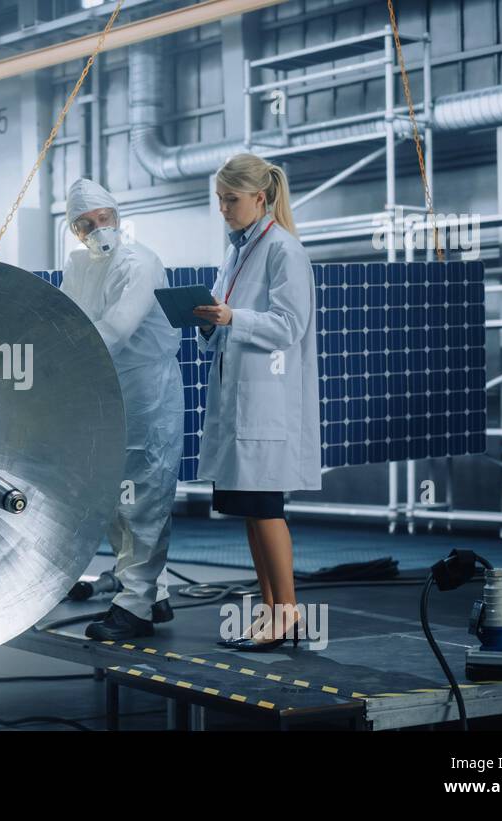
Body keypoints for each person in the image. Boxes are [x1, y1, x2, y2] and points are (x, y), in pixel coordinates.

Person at [193, 153, 321, 652]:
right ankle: (272, 612)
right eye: (219, 200)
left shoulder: (284, 250)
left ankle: (287, 613)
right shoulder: (239, 252)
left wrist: (233, 319)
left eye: (231, 199)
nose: (223, 208)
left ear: (260, 198)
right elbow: (233, 320)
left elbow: (291, 326)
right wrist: (210, 322)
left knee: (267, 506)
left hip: (267, 403)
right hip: (238, 398)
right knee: (250, 506)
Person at [60, 177, 184, 641]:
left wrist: (62, 363)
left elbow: (115, 329)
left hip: (148, 392)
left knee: (145, 493)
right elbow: (73, 318)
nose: (96, 229)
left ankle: (134, 607)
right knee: (116, 494)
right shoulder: (78, 265)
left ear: (117, 215)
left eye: (103, 219)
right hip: (105, 392)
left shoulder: (141, 262)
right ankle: (155, 591)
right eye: (84, 224)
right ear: (73, 230)